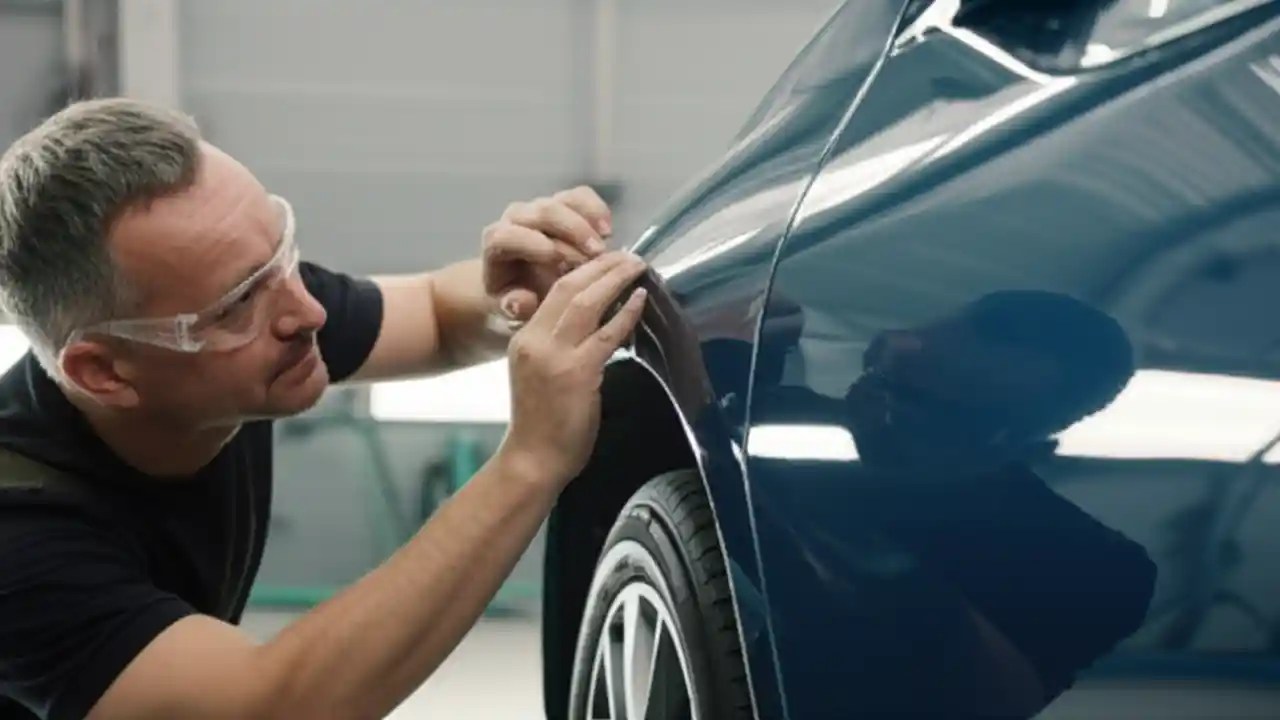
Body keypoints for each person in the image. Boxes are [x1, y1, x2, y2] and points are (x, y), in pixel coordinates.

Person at [0, 97, 648, 720]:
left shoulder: (250, 323)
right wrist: (531, 460)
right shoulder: (20, 541)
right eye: (237, 303)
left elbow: (433, 314)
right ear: (105, 371)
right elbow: (274, 707)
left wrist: (506, 294)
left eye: (281, 257)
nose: (308, 312)